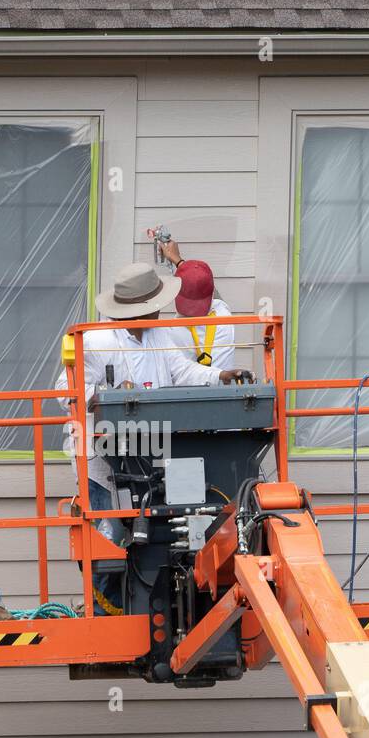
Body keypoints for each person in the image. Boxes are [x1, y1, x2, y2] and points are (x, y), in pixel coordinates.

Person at [56, 262, 251, 614]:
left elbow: (182, 370)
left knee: (151, 527)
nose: (160, 311)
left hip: (148, 450)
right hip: (101, 456)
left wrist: (220, 375)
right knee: (110, 531)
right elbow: (64, 390)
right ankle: (102, 613)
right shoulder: (96, 341)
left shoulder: (157, 336)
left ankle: (134, 608)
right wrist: (106, 393)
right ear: (139, 309)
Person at [155, 237, 234, 370]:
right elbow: (204, 285)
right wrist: (179, 261)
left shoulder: (173, 332)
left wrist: (178, 262)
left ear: (176, 292)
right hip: (223, 388)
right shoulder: (224, 313)